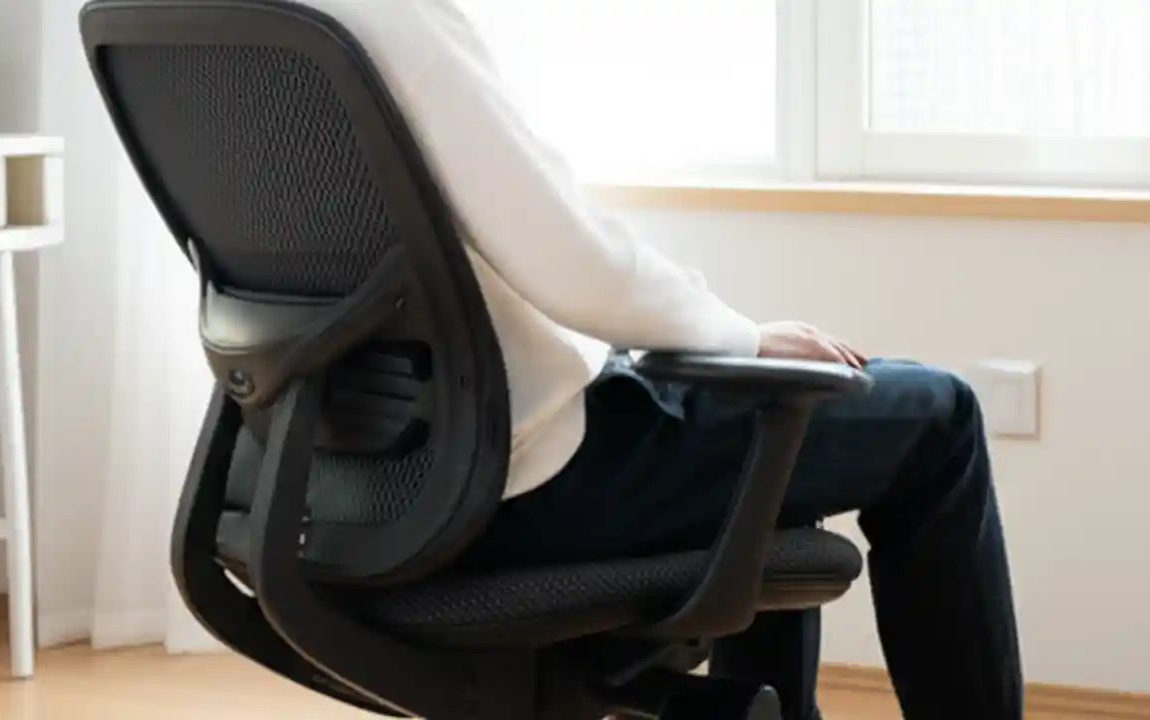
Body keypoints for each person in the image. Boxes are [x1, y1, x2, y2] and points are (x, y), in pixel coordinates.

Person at [300, 1, 1024, 718]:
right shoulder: (395, 21)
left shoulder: (220, 23)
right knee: (938, 414)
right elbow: (575, 263)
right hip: (515, 492)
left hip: (341, 488)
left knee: (777, 436)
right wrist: (740, 336)